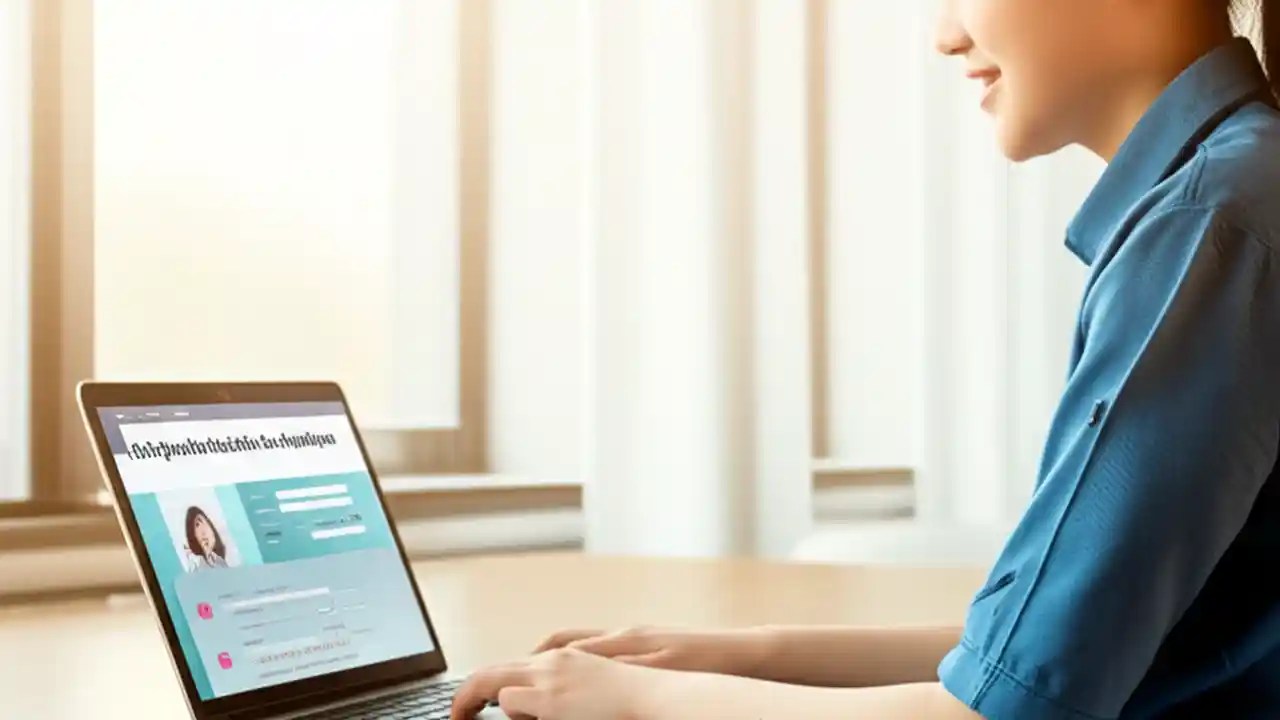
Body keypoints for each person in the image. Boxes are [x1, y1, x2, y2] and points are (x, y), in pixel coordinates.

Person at [452, 0, 1280, 717]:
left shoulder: (1213, 228)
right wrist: (729, 657)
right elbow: (1029, 658)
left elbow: (999, 713)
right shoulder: (1233, 191)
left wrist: (637, 705)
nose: (945, 35)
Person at [184, 506, 230, 571]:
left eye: (200, 523)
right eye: (197, 525)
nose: (203, 532)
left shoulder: (220, 561)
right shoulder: (198, 566)